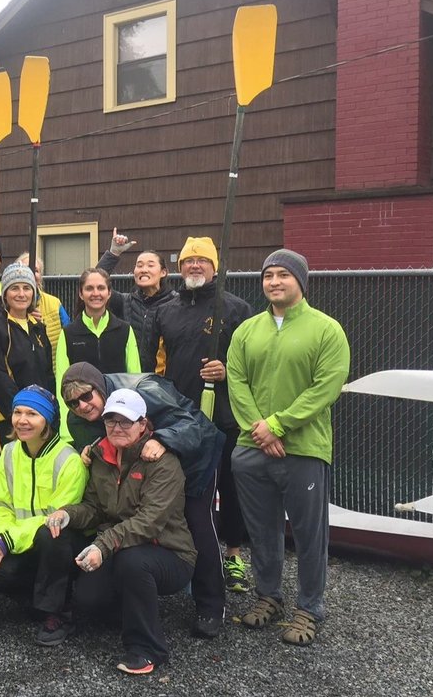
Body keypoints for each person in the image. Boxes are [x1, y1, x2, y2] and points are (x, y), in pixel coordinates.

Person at [227, 249, 350, 646]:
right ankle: (269, 596)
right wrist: (259, 429)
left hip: (304, 449)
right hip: (251, 448)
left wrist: (278, 425)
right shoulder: (247, 331)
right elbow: (237, 380)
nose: (274, 281)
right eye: (268, 275)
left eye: (283, 275)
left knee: (309, 533)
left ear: (300, 281)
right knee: (261, 531)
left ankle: (310, 607)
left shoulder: (326, 330)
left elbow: (326, 387)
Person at [60, 362, 225, 639]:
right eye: (72, 402)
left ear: (98, 387)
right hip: (143, 469)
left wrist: (164, 438)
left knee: (198, 525)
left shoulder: (145, 390)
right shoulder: (76, 418)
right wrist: (86, 450)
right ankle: (133, 592)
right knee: (132, 522)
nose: (82, 406)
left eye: (87, 396)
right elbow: (100, 442)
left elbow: (191, 425)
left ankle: (211, 605)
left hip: (195, 459)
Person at [47, 388, 195, 676]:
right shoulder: (100, 457)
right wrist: (67, 513)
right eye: (111, 420)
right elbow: (94, 508)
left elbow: (149, 522)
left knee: (133, 563)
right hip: (121, 546)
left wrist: (102, 547)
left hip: (170, 553)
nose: (117, 428)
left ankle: (148, 649)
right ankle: (135, 609)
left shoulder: (163, 462)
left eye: (125, 421)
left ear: (143, 424)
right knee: (89, 600)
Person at [150, 236, 254, 631]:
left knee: (228, 489)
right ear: (179, 267)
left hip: (223, 418)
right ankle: (184, 559)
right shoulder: (167, 311)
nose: (195, 266)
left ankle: (232, 553)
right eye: (188, 261)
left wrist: (226, 371)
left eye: (202, 261)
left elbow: (250, 364)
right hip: (179, 419)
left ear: (215, 266)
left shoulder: (236, 309)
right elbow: (155, 366)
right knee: (189, 498)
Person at [0, 386, 88, 646]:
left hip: (58, 546)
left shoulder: (68, 460)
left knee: (52, 533)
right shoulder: (8, 453)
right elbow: (0, 506)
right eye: (17, 412)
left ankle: (57, 611)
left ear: (47, 420)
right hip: (21, 541)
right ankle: (36, 601)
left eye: (32, 413)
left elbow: (55, 518)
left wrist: (8, 539)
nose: (22, 420)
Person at [55, 267, 141, 441]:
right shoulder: (68, 333)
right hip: (82, 420)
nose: (96, 293)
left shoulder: (124, 330)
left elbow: (135, 378)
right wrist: (65, 430)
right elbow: (61, 385)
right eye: (89, 288)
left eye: (101, 288)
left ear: (109, 293)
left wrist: (134, 418)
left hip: (118, 418)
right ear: (81, 293)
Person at [0, 263, 55, 452]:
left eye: (26, 288)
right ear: (5, 294)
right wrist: (20, 414)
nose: (21, 294)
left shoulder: (38, 327)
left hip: (40, 415)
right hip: (11, 417)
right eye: (14, 288)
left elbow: (47, 372)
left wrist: (48, 409)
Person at [15, 251, 69, 361]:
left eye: (35, 270)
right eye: (26, 269)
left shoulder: (54, 303)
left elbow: (69, 334)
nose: (30, 274)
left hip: (52, 372)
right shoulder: (6, 307)